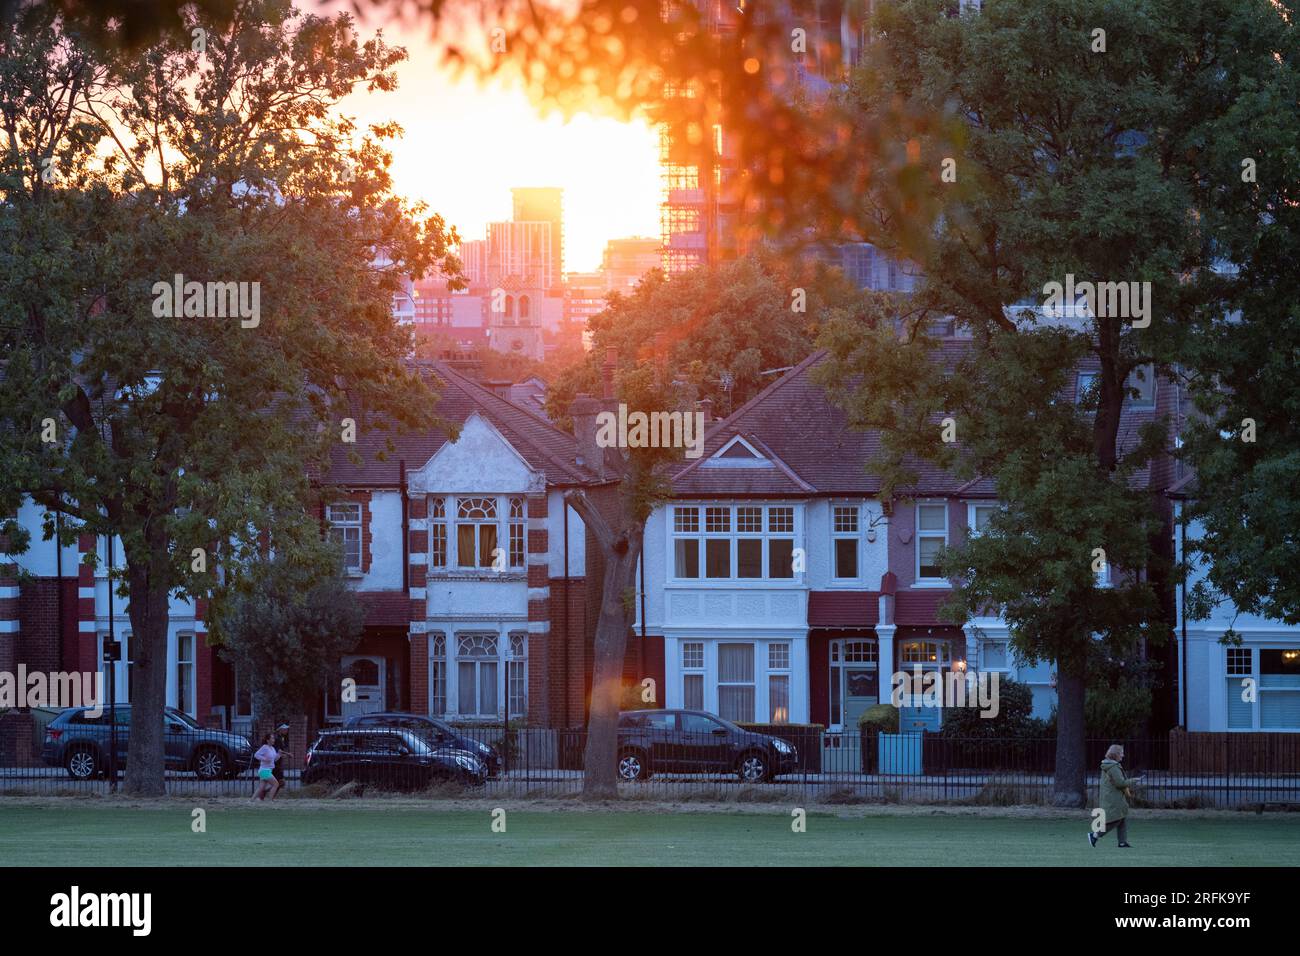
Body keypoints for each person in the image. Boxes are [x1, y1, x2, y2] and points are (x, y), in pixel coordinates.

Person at [1090, 744, 1142, 848]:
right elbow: (1120, 783)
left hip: (1112, 796)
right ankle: (1095, 835)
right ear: (1116, 754)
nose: (1123, 755)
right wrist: (1134, 780)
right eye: (1121, 753)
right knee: (1115, 820)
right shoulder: (1113, 767)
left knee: (1122, 818)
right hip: (1113, 798)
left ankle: (1122, 842)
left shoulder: (1110, 765)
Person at [252, 733, 283, 802]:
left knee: (261, 787)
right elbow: (256, 755)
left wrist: (279, 754)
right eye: (272, 738)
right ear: (267, 740)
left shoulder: (272, 748)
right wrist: (264, 759)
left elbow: (274, 759)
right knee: (276, 784)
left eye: (274, 738)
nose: (273, 740)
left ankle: (251, 800)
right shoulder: (265, 747)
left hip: (268, 770)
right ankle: (270, 800)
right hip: (264, 770)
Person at [271, 723, 291, 799]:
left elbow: (279, 752)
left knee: (279, 783)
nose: (287, 730)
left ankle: (270, 796)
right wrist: (287, 754)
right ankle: (263, 792)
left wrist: (285, 755)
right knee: (280, 782)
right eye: (285, 729)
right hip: (276, 764)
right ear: (280, 730)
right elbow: (278, 750)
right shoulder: (277, 738)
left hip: (278, 763)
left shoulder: (281, 738)